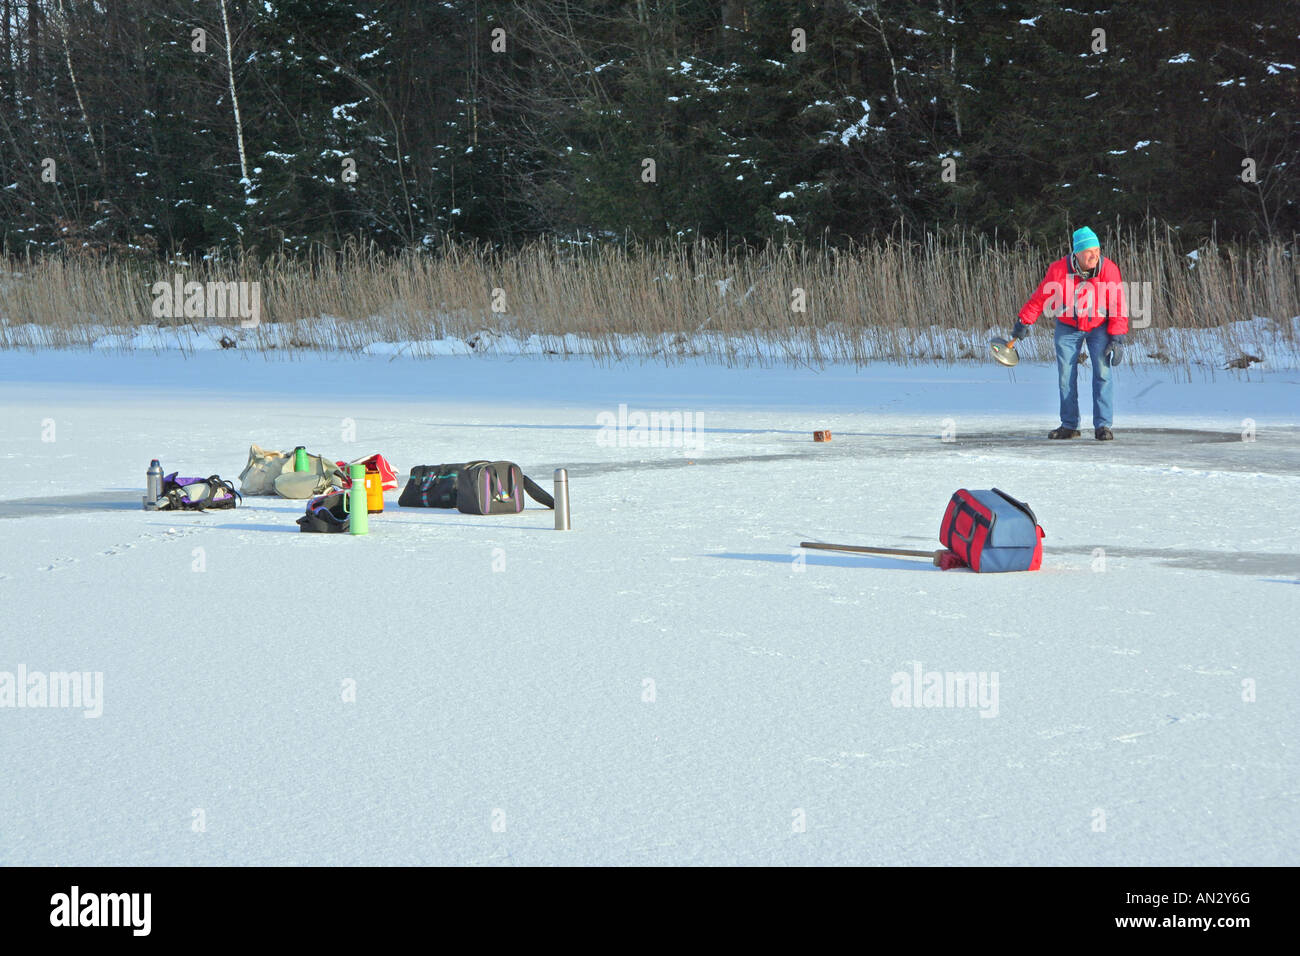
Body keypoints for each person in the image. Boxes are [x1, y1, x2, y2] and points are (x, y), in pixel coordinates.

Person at [1007, 226, 1128, 440]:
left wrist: (1117, 337)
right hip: (1068, 326)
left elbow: (1118, 304)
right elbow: (1040, 298)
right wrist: (1023, 321)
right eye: (1089, 251)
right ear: (1077, 253)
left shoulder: (1108, 269)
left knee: (1103, 373)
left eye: (1097, 250)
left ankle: (1103, 426)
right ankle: (1070, 425)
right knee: (1066, 376)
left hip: (1098, 326)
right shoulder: (1059, 270)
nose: (1094, 255)